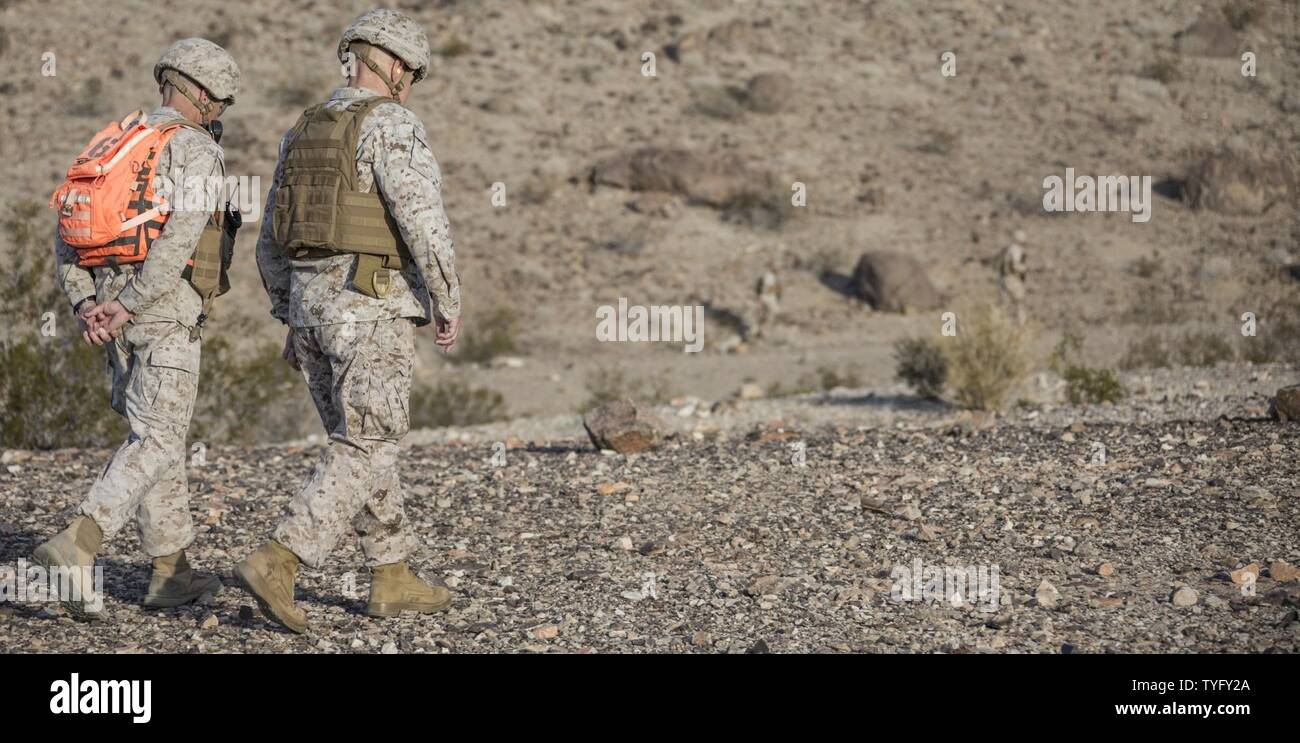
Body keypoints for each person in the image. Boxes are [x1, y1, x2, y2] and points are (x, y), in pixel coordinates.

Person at [235, 8, 463, 633]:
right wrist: (447, 301)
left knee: (362, 444)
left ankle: (391, 575)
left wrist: (289, 315)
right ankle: (280, 558)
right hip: (370, 309)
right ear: (385, 62)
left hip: (311, 314)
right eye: (410, 69)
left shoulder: (302, 130)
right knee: (368, 443)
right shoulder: (392, 124)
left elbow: (269, 242)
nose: (410, 82)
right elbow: (424, 223)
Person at [35, 38, 240, 616]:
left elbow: (67, 230)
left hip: (108, 308)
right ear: (198, 92)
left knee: (160, 435)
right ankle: (78, 542)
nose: (220, 112)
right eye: (220, 101)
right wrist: (131, 302)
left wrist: (86, 305)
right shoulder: (193, 147)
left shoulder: (113, 141)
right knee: (157, 437)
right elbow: (178, 241)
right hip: (161, 310)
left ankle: (170, 572)